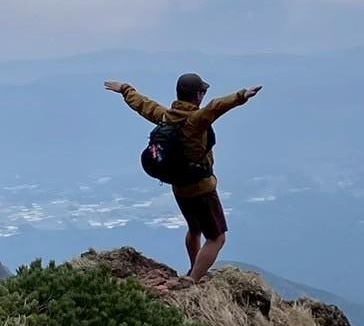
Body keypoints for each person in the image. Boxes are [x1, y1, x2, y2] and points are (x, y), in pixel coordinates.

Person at [103, 73, 262, 283]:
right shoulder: (196, 119)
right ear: (197, 95)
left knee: (194, 229)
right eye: (202, 92)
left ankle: (194, 269)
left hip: (179, 187)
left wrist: (125, 89)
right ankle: (194, 279)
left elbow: (143, 105)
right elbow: (215, 106)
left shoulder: (166, 116)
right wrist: (241, 95)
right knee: (216, 238)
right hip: (202, 188)